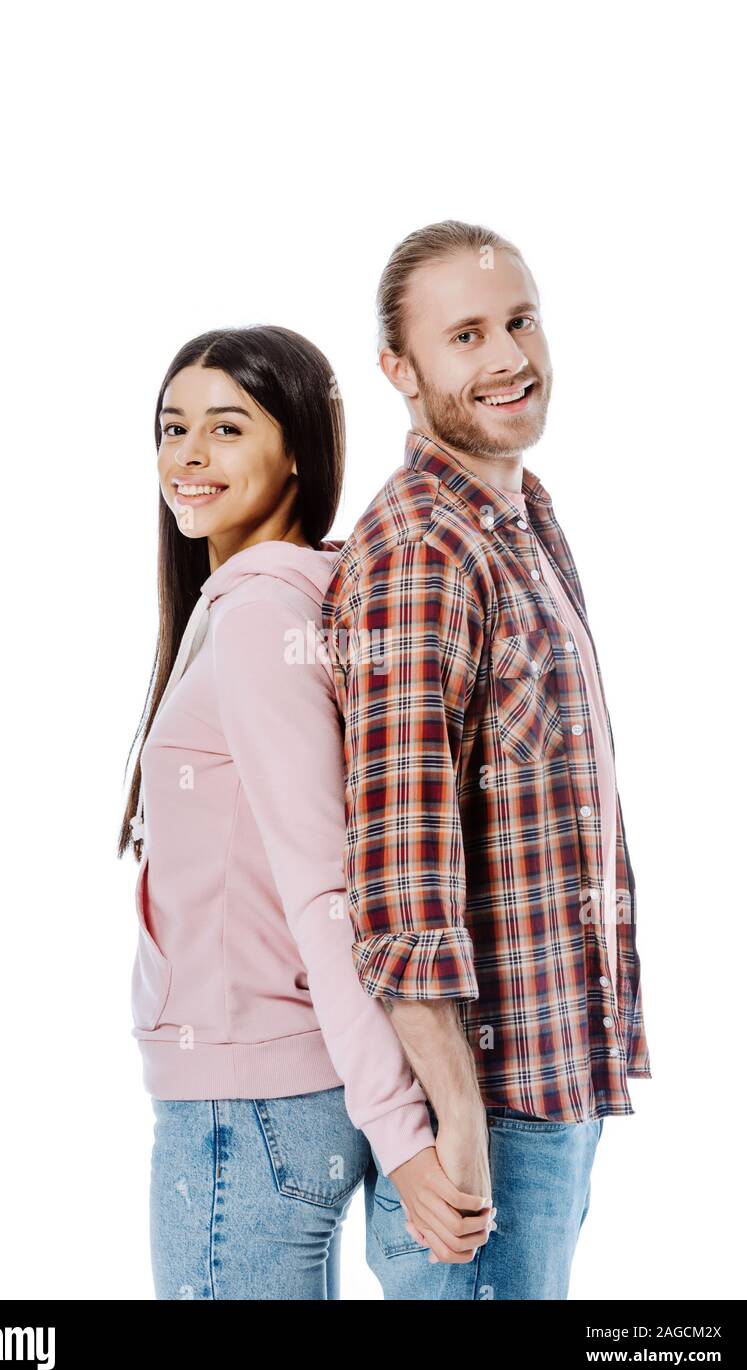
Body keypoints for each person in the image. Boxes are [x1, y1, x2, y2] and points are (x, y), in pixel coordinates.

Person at [118, 324, 494, 1300]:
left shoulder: (257, 621)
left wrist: (401, 1132)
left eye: (226, 428)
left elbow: (324, 885)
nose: (188, 456)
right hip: (293, 1087)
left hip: (251, 1103)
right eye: (172, 428)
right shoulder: (285, 604)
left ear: (297, 451)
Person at [321, 220, 653, 1299]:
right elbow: (401, 878)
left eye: (520, 319)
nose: (510, 355)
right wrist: (458, 1116)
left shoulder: (520, 517)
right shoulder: (426, 547)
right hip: (492, 1101)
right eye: (467, 335)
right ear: (400, 371)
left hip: (552, 1076)